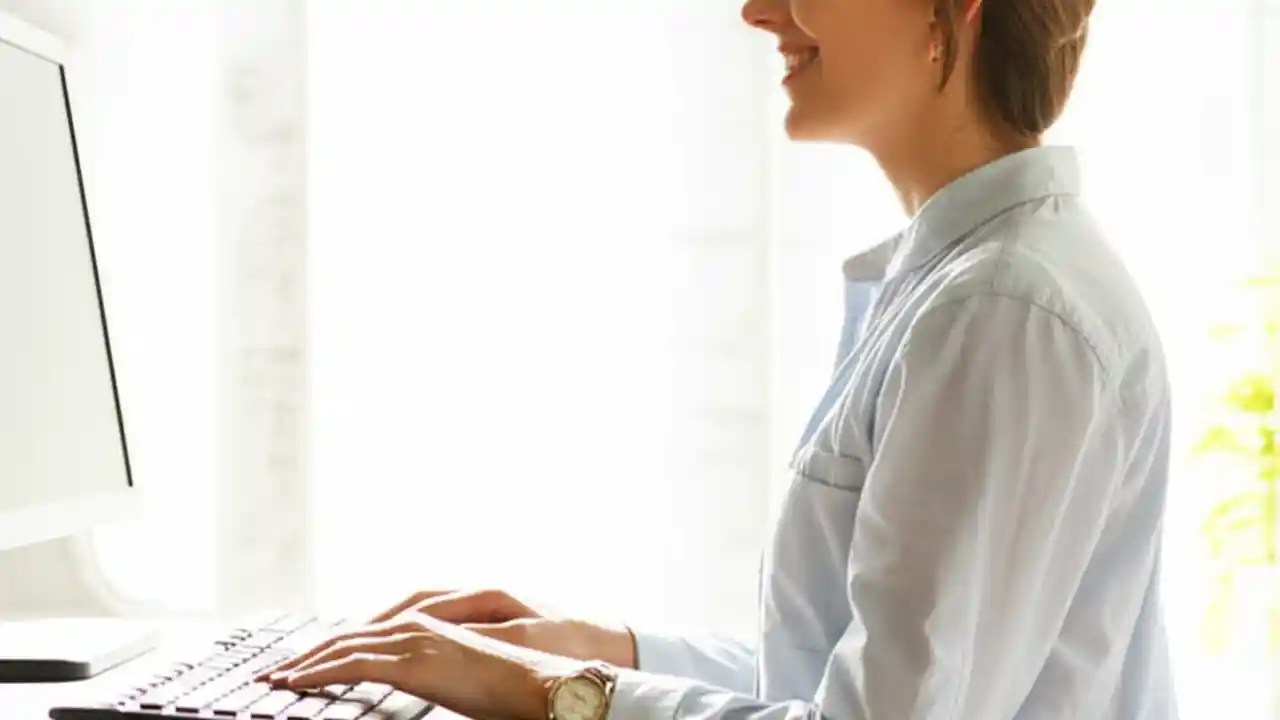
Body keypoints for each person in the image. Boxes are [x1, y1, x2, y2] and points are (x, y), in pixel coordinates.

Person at [262, 0, 1177, 717]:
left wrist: (543, 694)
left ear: (952, 9)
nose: (759, 10)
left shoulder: (1003, 314)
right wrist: (594, 648)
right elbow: (843, 677)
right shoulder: (973, 286)